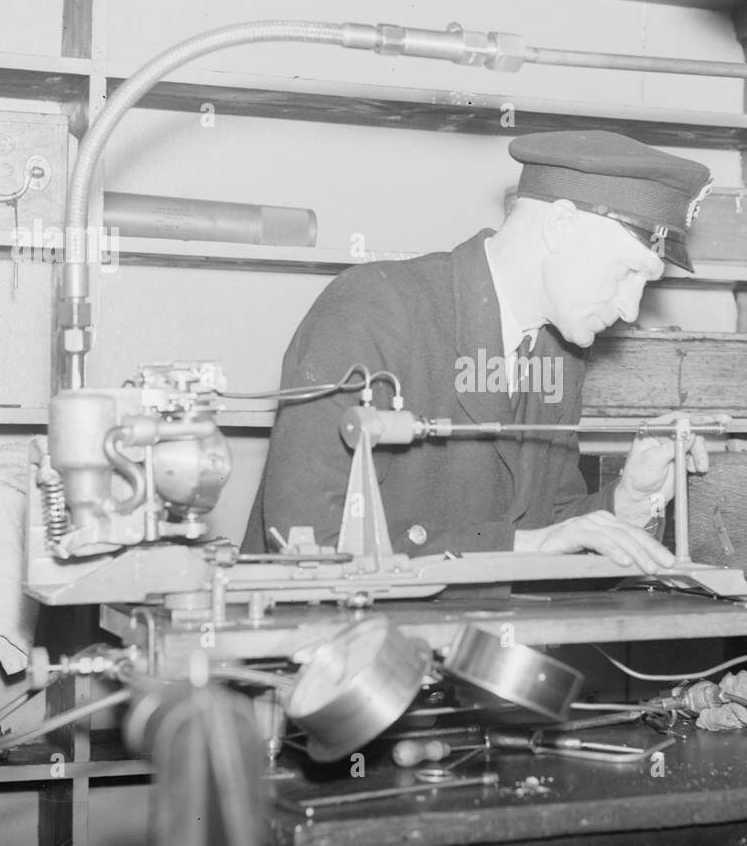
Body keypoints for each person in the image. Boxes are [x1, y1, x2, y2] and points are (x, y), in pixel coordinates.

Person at [242, 130, 714, 575]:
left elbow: (550, 523)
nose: (631, 309)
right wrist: (526, 547)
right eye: (628, 272)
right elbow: (309, 542)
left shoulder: (557, 351)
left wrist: (630, 499)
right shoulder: (374, 308)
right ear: (562, 225)